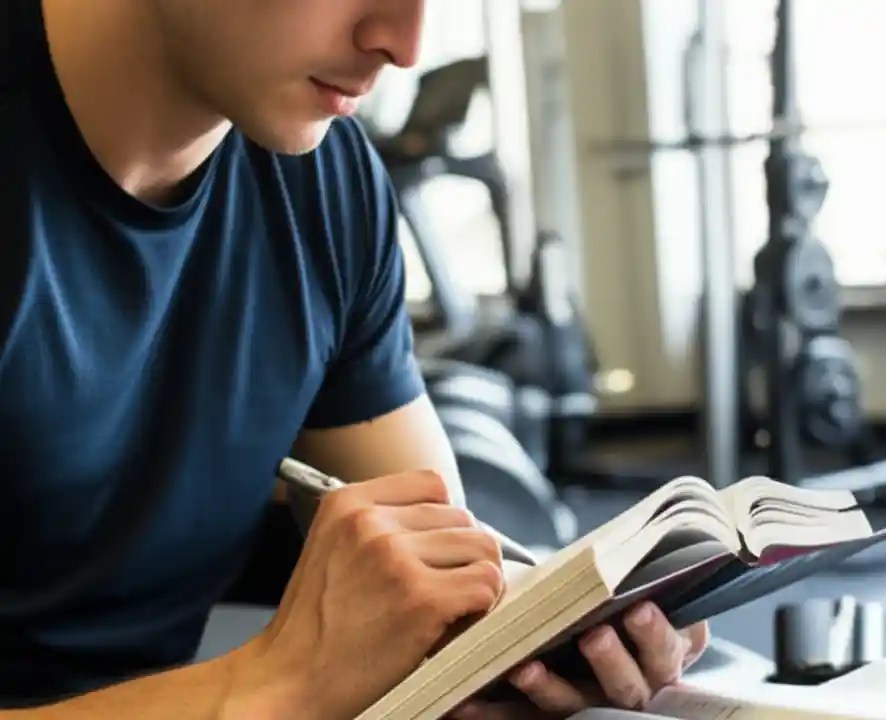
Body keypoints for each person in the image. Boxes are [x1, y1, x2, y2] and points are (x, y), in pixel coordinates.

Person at [0, 0, 709, 717]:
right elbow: (284, 690)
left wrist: (548, 639)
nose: (402, 46)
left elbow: (446, 589)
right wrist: (270, 688)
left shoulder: (325, 181)